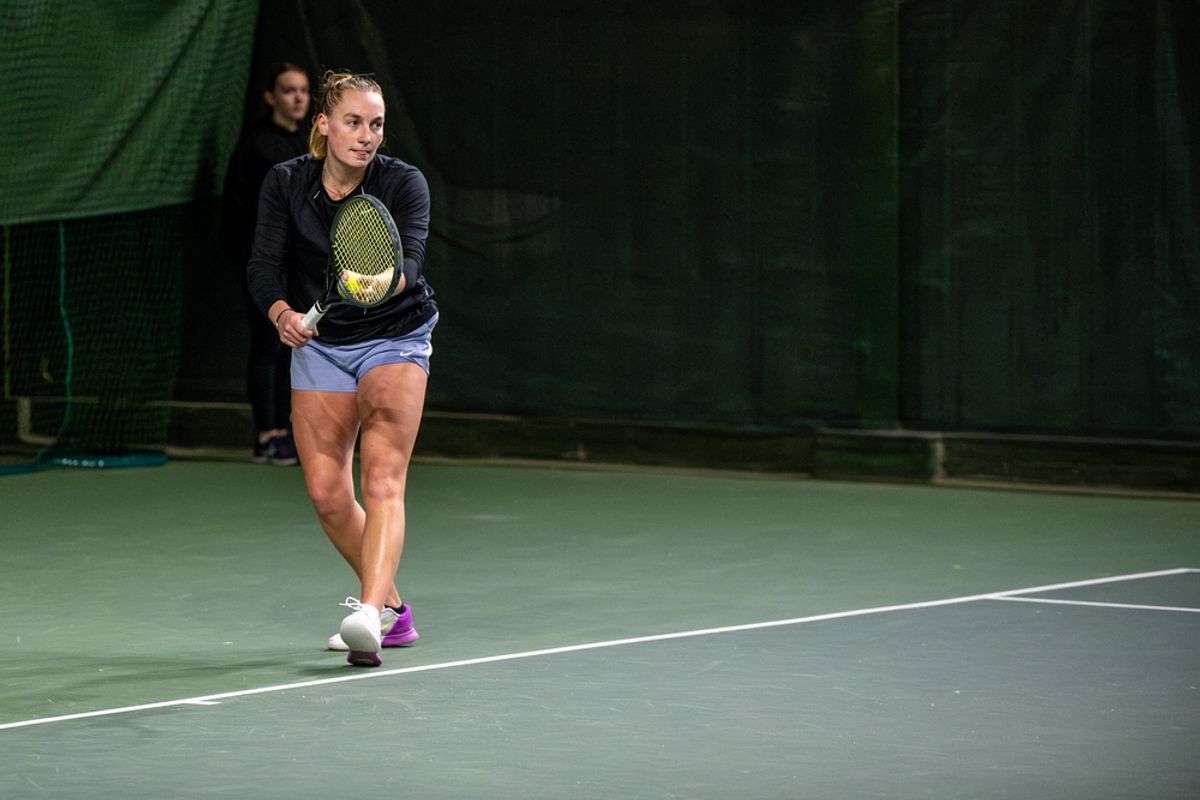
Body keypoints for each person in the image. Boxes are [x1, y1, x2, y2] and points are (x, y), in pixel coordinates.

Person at [246, 71, 436, 667]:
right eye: (353, 121)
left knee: (381, 480)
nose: (366, 135)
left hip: (395, 336)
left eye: (376, 124)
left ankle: (369, 614)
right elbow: (263, 266)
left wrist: (375, 280)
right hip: (322, 344)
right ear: (323, 125)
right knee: (328, 493)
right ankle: (395, 613)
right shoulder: (285, 183)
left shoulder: (404, 183)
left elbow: (405, 266)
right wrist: (282, 314)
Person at [222, 62, 312, 466]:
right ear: (270, 96)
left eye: (303, 91)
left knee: (290, 346)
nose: (297, 98)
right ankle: (267, 435)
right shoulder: (257, 147)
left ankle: (285, 431)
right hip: (265, 267)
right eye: (288, 90)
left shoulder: (304, 148)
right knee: (267, 345)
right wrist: (260, 264)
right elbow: (243, 213)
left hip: (297, 269)